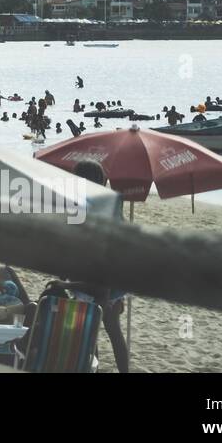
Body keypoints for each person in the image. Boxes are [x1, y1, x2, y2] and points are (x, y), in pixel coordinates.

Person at [62, 160, 130, 373]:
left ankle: (96, 370)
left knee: (88, 334)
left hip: (91, 276)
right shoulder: (111, 201)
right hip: (113, 276)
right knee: (113, 331)